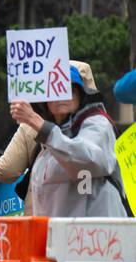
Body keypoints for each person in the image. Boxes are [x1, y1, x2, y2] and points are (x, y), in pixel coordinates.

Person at [8, 64, 127, 218]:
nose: (61, 96)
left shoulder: (97, 123)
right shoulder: (46, 145)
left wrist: (42, 127)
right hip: (63, 237)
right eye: (54, 90)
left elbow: (89, 161)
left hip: (99, 236)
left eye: (68, 90)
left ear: (80, 95)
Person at [0, 61, 99, 214]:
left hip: (49, 221)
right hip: (86, 222)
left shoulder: (98, 126)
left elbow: (6, 171)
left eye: (71, 91)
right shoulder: (100, 122)